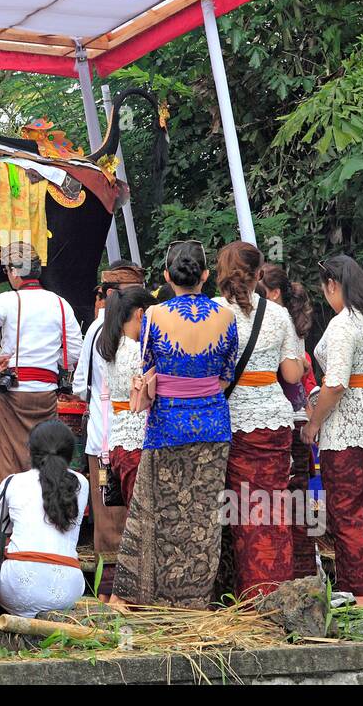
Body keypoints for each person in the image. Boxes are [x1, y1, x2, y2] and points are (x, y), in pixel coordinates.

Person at [113, 241, 238, 609]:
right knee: (204, 514)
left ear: (166, 277)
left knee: (163, 513)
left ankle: (160, 600)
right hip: (213, 423)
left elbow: (148, 362)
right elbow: (226, 373)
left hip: (167, 423)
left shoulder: (153, 316)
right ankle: (196, 600)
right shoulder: (227, 316)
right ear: (205, 276)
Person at [304, 255, 363, 609]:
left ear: (332, 285)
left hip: (346, 431)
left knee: (348, 513)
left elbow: (337, 383)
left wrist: (314, 423)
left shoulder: (344, 324)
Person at [214, 242, 305, 600]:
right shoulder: (279, 314)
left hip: (234, 418)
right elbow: (293, 375)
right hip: (274, 419)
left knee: (244, 510)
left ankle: (253, 595)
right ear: (258, 272)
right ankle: (278, 593)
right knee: (274, 507)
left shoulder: (213, 313)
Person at [0, 243, 83, 487]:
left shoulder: (9, 300)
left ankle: (7, 514)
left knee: (7, 455)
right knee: (44, 454)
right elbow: (75, 349)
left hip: (13, 391)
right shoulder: (60, 304)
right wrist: (52, 363)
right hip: (46, 393)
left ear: (14, 272)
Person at [72, 260, 144, 596]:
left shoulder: (98, 330)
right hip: (130, 439)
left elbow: (78, 386)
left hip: (102, 441)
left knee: (108, 514)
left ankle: (108, 591)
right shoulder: (137, 336)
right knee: (130, 512)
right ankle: (124, 590)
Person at [257, 263, 318, 579]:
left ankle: (301, 572)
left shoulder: (282, 323)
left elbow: (292, 373)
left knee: (293, 498)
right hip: (288, 415)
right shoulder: (279, 321)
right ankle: (296, 570)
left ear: (274, 293)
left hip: (289, 418)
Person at [0, 419, 89, 617]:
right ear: (71, 454)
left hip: (16, 590)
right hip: (68, 589)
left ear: (29, 452)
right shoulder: (81, 483)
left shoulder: (12, 482)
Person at [96, 286, 154, 508]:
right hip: (139, 441)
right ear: (141, 314)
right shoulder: (139, 353)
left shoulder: (111, 348)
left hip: (118, 442)